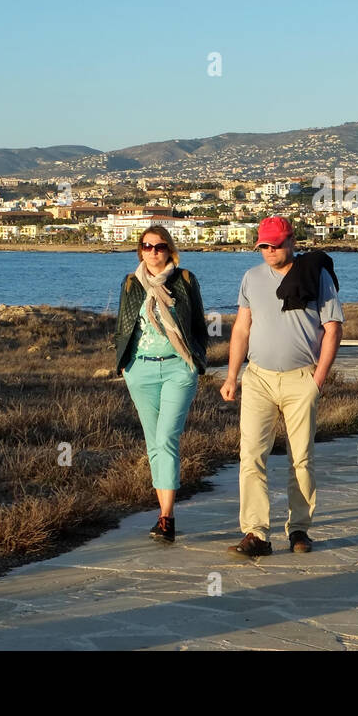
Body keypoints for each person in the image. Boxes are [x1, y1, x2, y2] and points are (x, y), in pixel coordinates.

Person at [220, 216, 343, 556]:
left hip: (301, 378)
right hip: (258, 377)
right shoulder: (251, 278)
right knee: (251, 456)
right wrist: (232, 376)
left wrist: (317, 380)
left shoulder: (315, 275)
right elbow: (242, 329)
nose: (270, 251)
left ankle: (300, 530)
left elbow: (332, 327)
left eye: (276, 244)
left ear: (292, 242)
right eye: (264, 246)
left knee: (301, 458)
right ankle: (256, 534)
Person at [113, 226, 209, 543]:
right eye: (147, 246)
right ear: (140, 250)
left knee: (166, 438)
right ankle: (163, 512)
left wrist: (196, 361)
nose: (153, 252)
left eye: (160, 246)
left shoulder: (184, 280)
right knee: (154, 443)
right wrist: (125, 365)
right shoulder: (130, 284)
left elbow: (198, 324)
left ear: (170, 250)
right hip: (139, 371)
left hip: (177, 369)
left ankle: (166, 517)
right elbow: (124, 326)